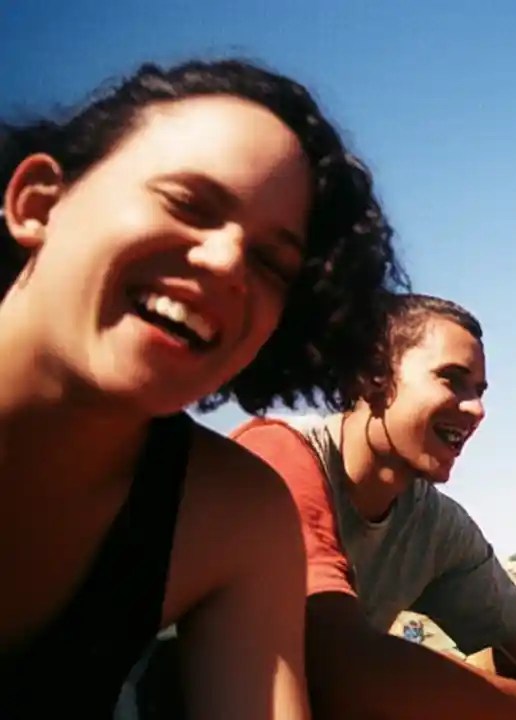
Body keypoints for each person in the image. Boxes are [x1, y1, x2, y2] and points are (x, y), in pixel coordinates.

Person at [0, 57, 403, 717]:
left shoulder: (233, 518)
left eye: (271, 262)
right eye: (188, 203)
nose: (226, 264)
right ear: (38, 202)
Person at [232, 295, 516, 720]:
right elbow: (341, 665)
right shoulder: (278, 455)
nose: (477, 409)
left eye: (479, 391)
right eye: (452, 380)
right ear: (373, 375)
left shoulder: (435, 525)